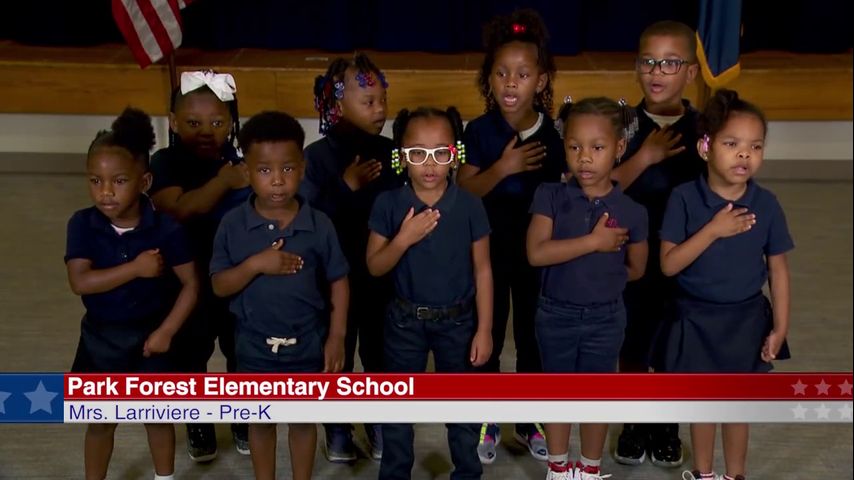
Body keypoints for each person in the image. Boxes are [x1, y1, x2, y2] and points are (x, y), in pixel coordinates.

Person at [659, 89, 793, 480]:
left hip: (745, 319)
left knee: (737, 407)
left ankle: (736, 475)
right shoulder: (684, 198)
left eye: (755, 146)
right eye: (732, 144)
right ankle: (703, 473)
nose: (744, 155)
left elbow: (779, 270)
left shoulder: (766, 204)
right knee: (703, 406)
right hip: (696, 318)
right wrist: (713, 230)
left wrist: (780, 327)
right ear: (705, 147)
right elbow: (669, 264)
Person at [210, 111, 349, 480]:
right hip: (253, 345)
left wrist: (336, 338)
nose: (276, 181)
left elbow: (339, 281)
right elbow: (219, 285)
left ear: (302, 168)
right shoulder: (233, 225)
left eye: (287, 169)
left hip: (308, 343)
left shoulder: (319, 225)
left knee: (303, 422)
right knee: (261, 421)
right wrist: (256, 263)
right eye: (264, 170)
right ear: (247, 171)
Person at [65, 107, 199, 480]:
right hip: (100, 339)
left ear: (144, 181)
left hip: (152, 338)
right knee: (100, 422)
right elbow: (80, 282)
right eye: (95, 180)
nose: (105, 192)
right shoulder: (82, 224)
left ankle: (164, 477)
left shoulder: (166, 229)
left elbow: (191, 285)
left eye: (119, 180)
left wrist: (167, 331)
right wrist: (135, 269)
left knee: (155, 418)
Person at [456, 8, 565, 463]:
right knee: (488, 335)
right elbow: (464, 189)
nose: (511, 83)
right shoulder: (477, 132)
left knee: (532, 339)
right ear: (489, 79)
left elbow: (563, 197)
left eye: (522, 74)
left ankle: (530, 417)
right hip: (488, 257)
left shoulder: (555, 136)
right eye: (501, 73)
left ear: (540, 81)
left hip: (536, 259)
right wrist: (503, 168)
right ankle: (487, 415)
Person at [367, 106, 493, 479]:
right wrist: (404, 238)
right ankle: (394, 473)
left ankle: (467, 472)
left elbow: (483, 269)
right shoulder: (388, 204)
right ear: (401, 157)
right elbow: (374, 265)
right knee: (398, 406)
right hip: (405, 322)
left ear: (456, 155)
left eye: (441, 152)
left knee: (461, 407)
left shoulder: (470, 205)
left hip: (459, 322)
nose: (429, 163)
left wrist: (484, 329)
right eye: (417, 153)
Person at [528, 97, 648, 480]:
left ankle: (589, 469)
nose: (584, 158)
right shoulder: (550, 195)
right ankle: (559, 468)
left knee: (598, 394)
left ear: (619, 148)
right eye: (574, 147)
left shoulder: (633, 211)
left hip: (606, 317)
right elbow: (536, 253)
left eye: (597, 148)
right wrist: (592, 245)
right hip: (555, 313)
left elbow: (637, 268)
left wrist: (601, 275)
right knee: (559, 392)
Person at [611, 21, 706, 467]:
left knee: (674, 343)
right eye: (648, 61)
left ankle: (666, 424)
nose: (657, 72)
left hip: (684, 259)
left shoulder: (705, 129)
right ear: (636, 67)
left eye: (670, 63)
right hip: (628, 256)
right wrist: (644, 157)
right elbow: (597, 188)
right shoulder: (619, 125)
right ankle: (633, 420)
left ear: (690, 71)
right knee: (631, 343)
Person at [301, 52, 403, 462]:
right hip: (332, 276)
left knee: (380, 351)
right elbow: (307, 216)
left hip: (380, 275)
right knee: (336, 351)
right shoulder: (317, 157)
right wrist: (345, 185)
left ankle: (378, 422)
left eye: (382, 100)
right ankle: (338, 427)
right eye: (368, 102)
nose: (379, 110)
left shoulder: (391, 150)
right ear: (338, 104)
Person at [149, 70, 251, 460]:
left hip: (233, 275)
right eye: (193, 123)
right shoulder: (167, 162)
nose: (206, 131)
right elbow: (178, 209)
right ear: (173, 122)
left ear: (231, 123)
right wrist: (223, 182)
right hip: (186, 277)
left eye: (217, 122)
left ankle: (242, 415)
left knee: (240, 350)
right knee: (191, 355)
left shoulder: (237, 160)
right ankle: (199, 419)